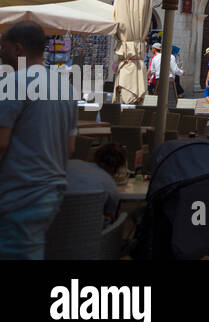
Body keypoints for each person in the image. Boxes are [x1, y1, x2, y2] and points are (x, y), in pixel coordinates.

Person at [0, 21, 79, 258]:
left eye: (3, 47)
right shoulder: (65, 87)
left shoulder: (13, 83)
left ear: (17, 49)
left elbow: (1, 143)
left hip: (19, 191)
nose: (1, 54)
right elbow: (70, 148)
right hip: (51, 191)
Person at [66, 142, 126, 222]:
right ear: (118, 167)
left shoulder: (70, 164)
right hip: (89, 229)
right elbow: (109, 215)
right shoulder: (110, 185)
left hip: (52, 225)